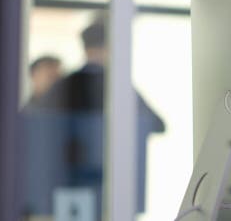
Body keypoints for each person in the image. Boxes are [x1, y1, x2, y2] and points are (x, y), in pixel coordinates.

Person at [39, 13, 165, 214]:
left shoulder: (63, 86)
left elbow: (40, 127)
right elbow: (158, 124)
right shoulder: (119, 86)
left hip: (70, 188)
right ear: (108, 48)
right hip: (111, 187)